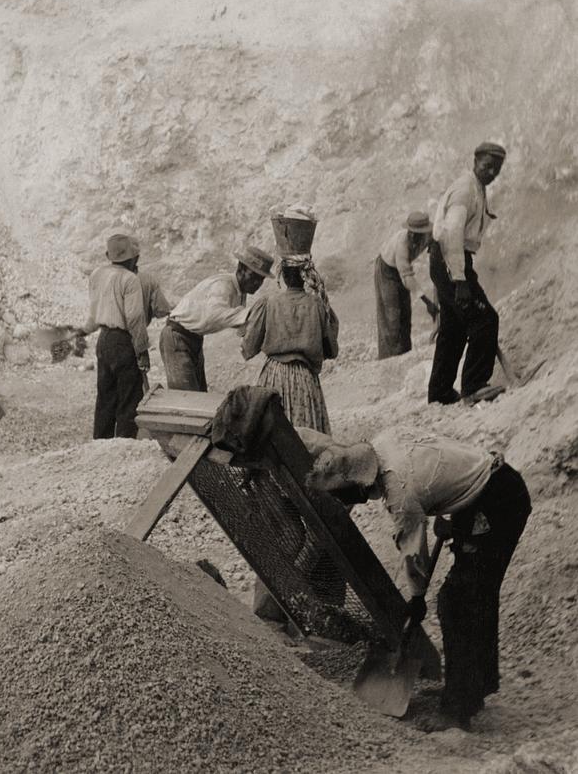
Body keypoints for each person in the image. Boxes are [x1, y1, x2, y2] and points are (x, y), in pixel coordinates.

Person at [302, 425, 531, 729]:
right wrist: (449, 507)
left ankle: (457, 709)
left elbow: (413, 552)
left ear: (359, 487)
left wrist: (417, 597)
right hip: (485, 485)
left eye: (344, 497)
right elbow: (437, 458)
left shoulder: (400, 493)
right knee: (476, 594)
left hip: (498, 503)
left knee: (458, 602)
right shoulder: (385, 440)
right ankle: (474, 687)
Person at [242, 209, 338, 433]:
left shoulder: (268, 303)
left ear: (282, 275)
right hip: (305, 381)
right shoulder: (317, 305)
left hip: (273, 378)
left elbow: (248, 348)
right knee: (308, 438)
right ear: (305, 276)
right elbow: (332, 350)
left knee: (272, 436)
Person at [428, 143, 505, 405]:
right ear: (475, 161)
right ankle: (474, 386)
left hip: (450, 260)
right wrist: (460, 281)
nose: (491, 172)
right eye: (487, 166)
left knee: (454, 328)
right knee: (485, 320)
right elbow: (451, 234)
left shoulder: (477, 187)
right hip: (451, 259)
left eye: (496, 169)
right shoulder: (465, 190)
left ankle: (440, 393)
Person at [160, 246, 273, 391]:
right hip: (177, 336)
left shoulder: (240, 293)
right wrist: (252, 313)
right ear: (241, 269)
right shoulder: (223, 286)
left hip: (194, 338)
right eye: (253, 277)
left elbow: (240, 325)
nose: (257, 283)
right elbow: (215, 315)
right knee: (186, 397)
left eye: (261, 279)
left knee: (199, 394)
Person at [80, 233, 150, 439]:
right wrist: (142, 350)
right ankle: (123, 445)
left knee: (105, 398)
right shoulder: (130, 280)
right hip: (123, 343)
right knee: (129, 399)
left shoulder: (97, 274)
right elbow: (135, 319)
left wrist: (84, 331)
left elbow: (94, 313)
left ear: (108, 255)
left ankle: (100, 444)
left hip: (103, 340)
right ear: (133, 258)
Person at [375, 212, 438, 359]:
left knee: (405, 313)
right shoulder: (402, 244)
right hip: (387, 270)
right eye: (411, 232)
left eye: (417, 233)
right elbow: (407, 277)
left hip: (403, 271)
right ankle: (389, 357)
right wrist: (427, 302)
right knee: (391, 315)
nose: (413, 236)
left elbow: (436, 253)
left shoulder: (430, 235)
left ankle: (404, 353)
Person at [132, 238, 171, 326]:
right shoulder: (147, 280)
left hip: (107, 333)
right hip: (137, 332)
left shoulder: (105, 279)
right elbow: (162, 310)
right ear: (136, 258)